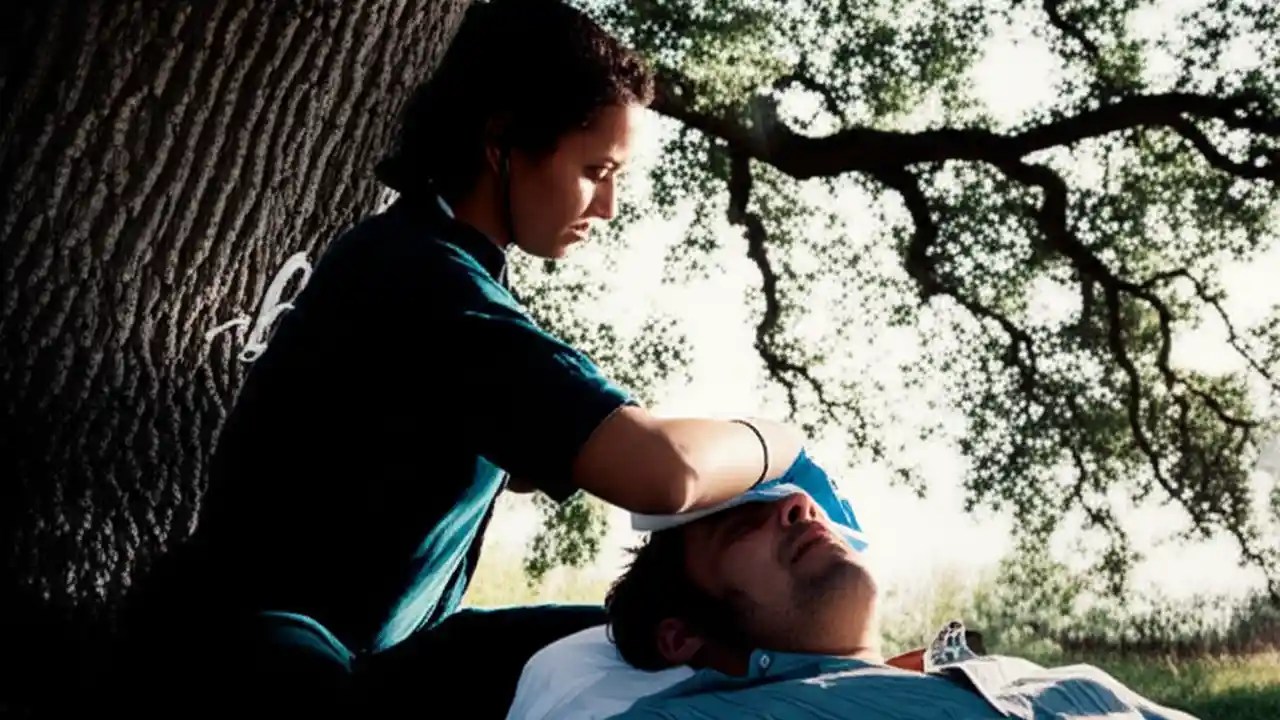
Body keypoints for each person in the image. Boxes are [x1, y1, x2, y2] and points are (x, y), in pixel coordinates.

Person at [117, 0, 804, 716]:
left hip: (370, 656)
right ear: (502, 142)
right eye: (595, 169)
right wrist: (781, 442)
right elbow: (664, 472)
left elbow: (511, 443)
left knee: (661, 641)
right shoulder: (423, 279)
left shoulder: (436, 267)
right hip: (254, 660)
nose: (607, 205)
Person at [601, 490, 1202, 719]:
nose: (801, 505)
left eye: (794, 500)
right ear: (681, 635)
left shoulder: (1016, 674)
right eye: (739, 526)